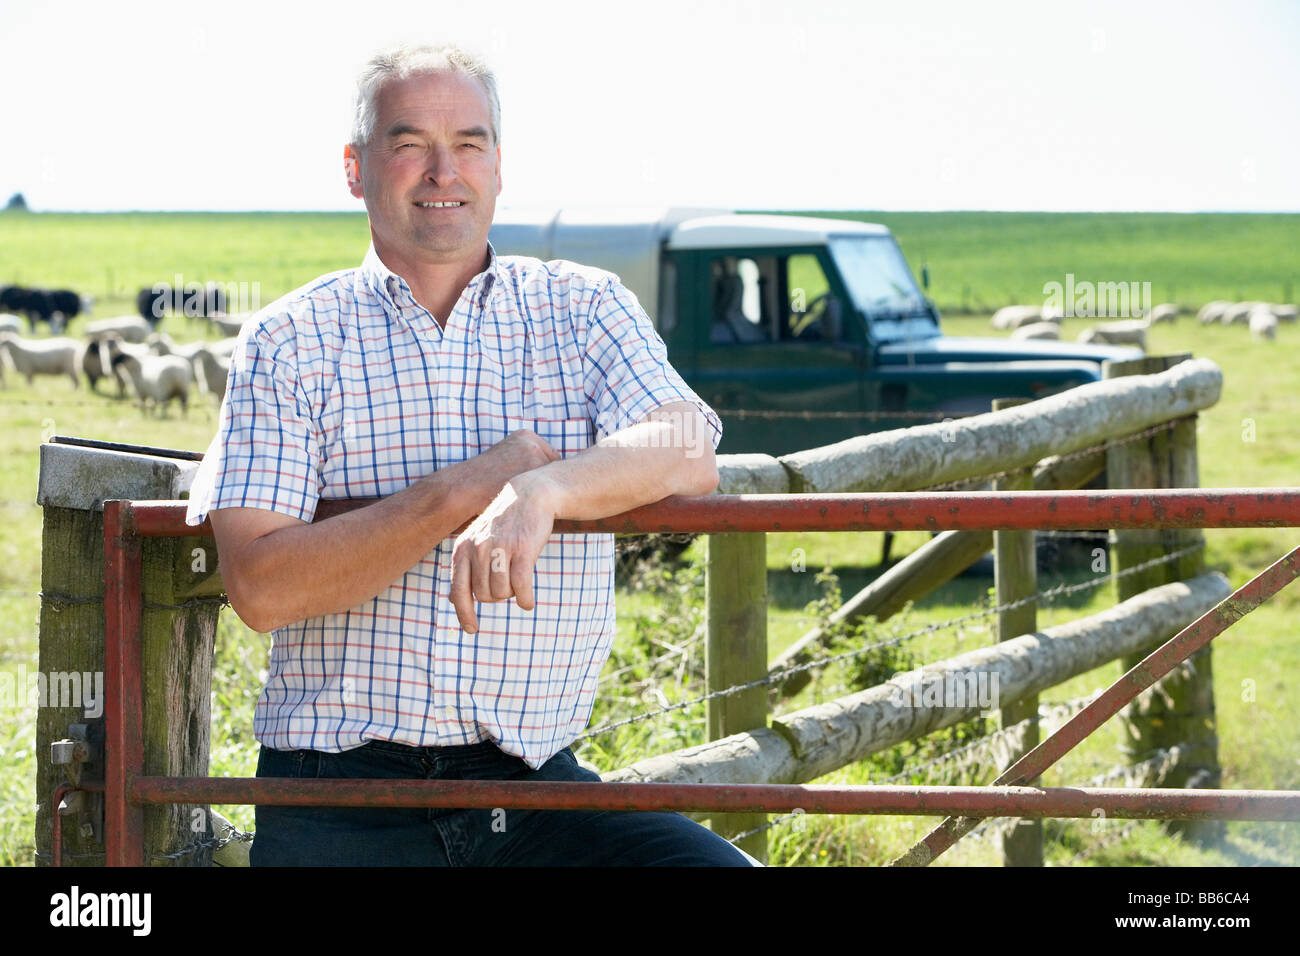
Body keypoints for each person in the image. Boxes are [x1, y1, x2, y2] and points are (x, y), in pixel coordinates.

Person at [185, 43, 756, 866]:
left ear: (499, 166)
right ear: (356, 168)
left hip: (535, 791)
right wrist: (465, 489)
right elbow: (264, 588)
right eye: (409, 142)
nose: (442, 170)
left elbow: (686, 442)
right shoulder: (290, 340)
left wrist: (541, 487)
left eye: (470, 143)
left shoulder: (582, 307)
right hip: (341, 797)